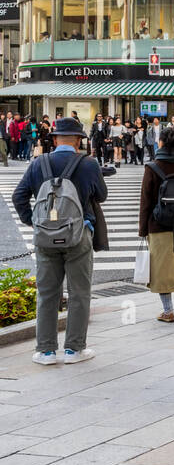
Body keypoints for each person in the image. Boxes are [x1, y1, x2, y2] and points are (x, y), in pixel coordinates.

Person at [13, 116, 107, 366]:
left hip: (45, 238)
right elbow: (102, 195)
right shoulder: (88, 164)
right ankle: (74, 350)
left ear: (54, 139)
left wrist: (33, 222)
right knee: (79, 293)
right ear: (79, 140)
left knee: (47, 293)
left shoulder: (38, 163)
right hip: (79, 236)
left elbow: (18, 196)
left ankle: (45, 351)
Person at [138, 126, 174, 322]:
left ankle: (167, 311)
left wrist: (143, 229)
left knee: (161, 269)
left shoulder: (152, 167)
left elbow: (146, 201)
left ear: (161, 143)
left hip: (158, 225)